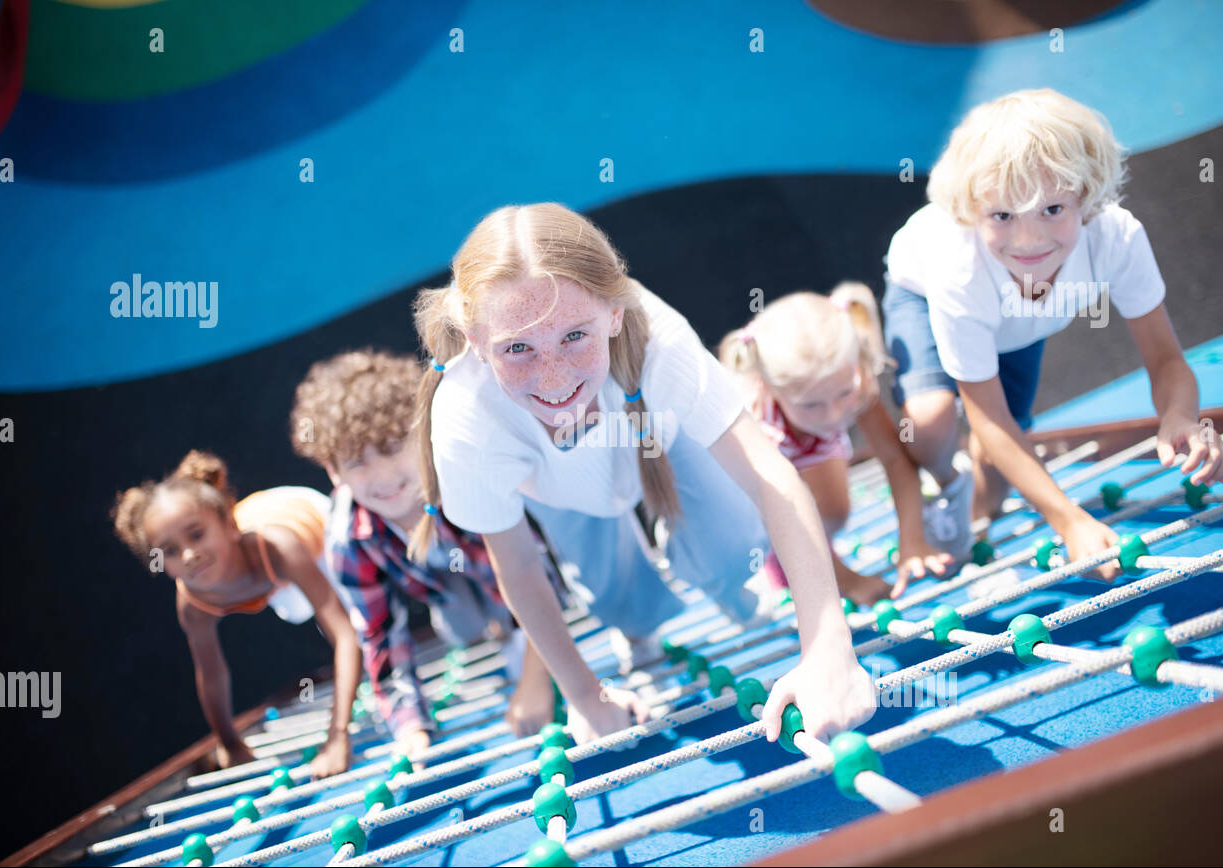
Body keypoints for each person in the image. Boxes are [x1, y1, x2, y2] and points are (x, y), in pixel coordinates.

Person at [410, 202, 875, 746]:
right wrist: (585, 695)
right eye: (517, 348)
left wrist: (828, 648)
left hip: (660, 436)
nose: (554, 378)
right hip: (562, 490)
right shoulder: (467, 418)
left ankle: (730, 583)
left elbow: (768, 475)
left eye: (575, 336)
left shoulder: (660, 342)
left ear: (613, 314)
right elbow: (517, 565)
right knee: (618, 600)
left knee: (732, 550)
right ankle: (636, 626)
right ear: (473, 340)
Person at [883, 88, 1223, 578]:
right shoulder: (958, 270)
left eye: (1052, 209)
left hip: (1015, 323)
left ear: (1085, 196)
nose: (1029, 240)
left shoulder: (1115, 237)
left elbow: (1165, 359)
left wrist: (1181, 417)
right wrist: (1068, 520)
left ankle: (974, 501)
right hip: (922, 293)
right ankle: (943, 480)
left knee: (996, 480)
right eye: (1002, 215)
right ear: (973, 212)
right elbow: (988, 416)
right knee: (931, 419)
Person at [290, 349, 558, 758]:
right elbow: (380, 635)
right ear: (333, 472)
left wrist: (536, 677)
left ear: (422, 433)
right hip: (437, 587)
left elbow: (533, 572)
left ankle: (510, 635)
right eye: (357, 462)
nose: (382, 476)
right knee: (463, 630)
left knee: (516, 622)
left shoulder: (465, 476)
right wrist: (409, 725)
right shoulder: (347, 539)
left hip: (502, 573)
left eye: (392, 447)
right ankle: (478, 624)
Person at [111, 451, 359, 777]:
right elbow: (212, 674)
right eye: (169, 551)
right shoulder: (193, 603)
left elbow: (343, 634)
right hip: (279, 582)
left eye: (196, 534)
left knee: (358, 618)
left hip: (318, 528)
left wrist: (338, 736)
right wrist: (229, 743)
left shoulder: (279, 547)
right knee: (296, 610)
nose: (189, 555)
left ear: (231, 525)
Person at [720, 283, 954, 603]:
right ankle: (780, 562)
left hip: (806, 441)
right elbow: (776, 515)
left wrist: (912, 540)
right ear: (768, 387)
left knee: (834, 512)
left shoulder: (853, 382)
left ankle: (806, 556)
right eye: (811, 404)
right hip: (743, 490)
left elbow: (895, 459)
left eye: (844, 394)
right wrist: (847, 580)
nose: (833, 414)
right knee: (799, 517)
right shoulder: (755, 421)